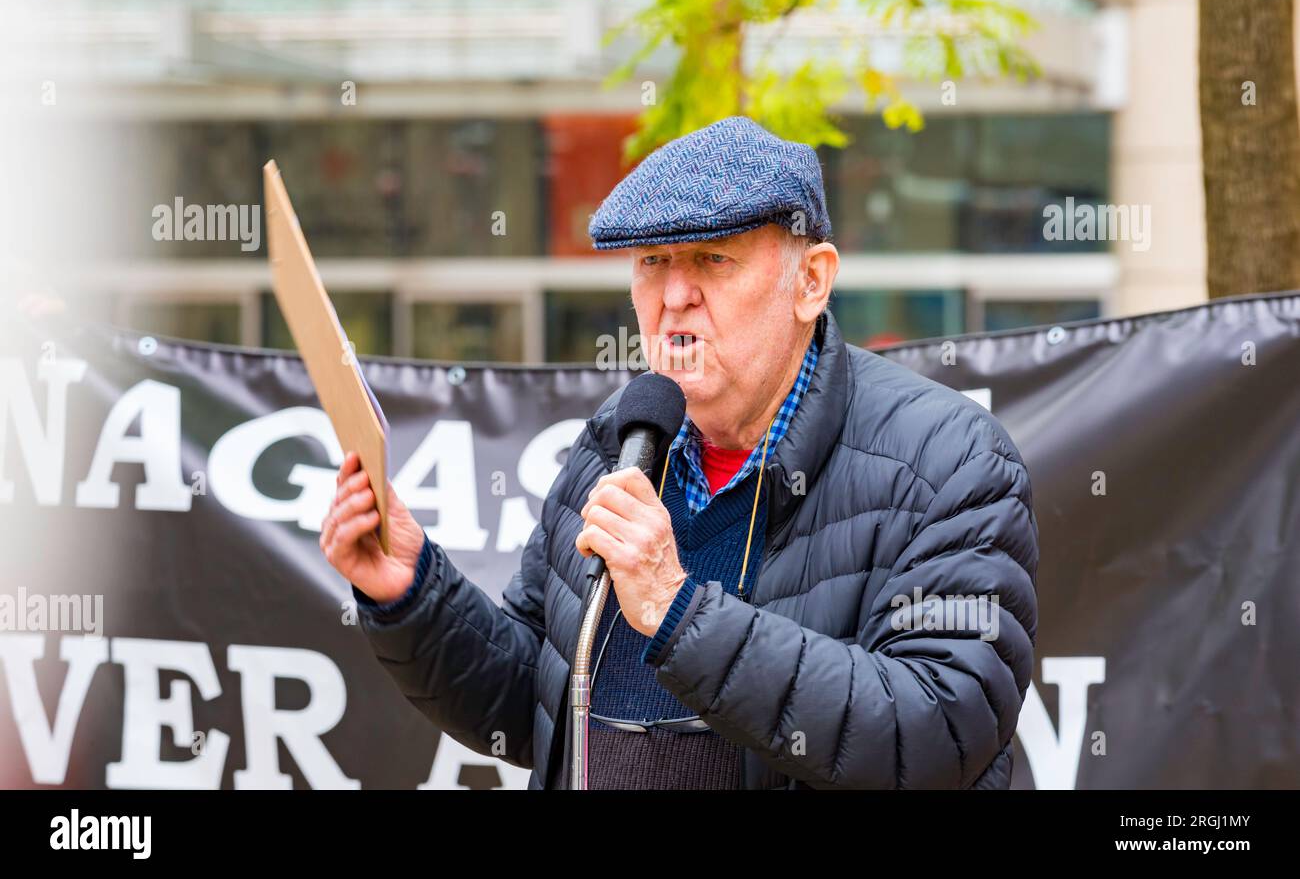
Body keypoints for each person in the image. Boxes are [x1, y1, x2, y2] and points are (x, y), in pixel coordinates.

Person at [320, 116, 1039, 789]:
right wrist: (414, 590)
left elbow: (940, 725)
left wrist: (677, 608)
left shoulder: (949, 458)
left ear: (811, 281)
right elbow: (532, 706)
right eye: (653, 262)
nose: (673, 297)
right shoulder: (618, 439)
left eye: (713, 260)